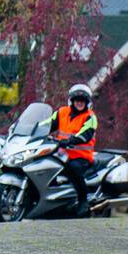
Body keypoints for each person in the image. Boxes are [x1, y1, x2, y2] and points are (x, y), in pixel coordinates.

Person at [50, 84, 98, 218]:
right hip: (61, 153)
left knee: (74, 168)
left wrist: (71, 140)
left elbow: (86, 134)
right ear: (72, 101)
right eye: (77, 100)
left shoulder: (90, 117)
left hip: (81, 156)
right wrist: (33, 129)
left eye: (82, 101)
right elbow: (47, 124)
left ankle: (83, 201)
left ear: (87, 103)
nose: (80, 103)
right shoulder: (62, 112)